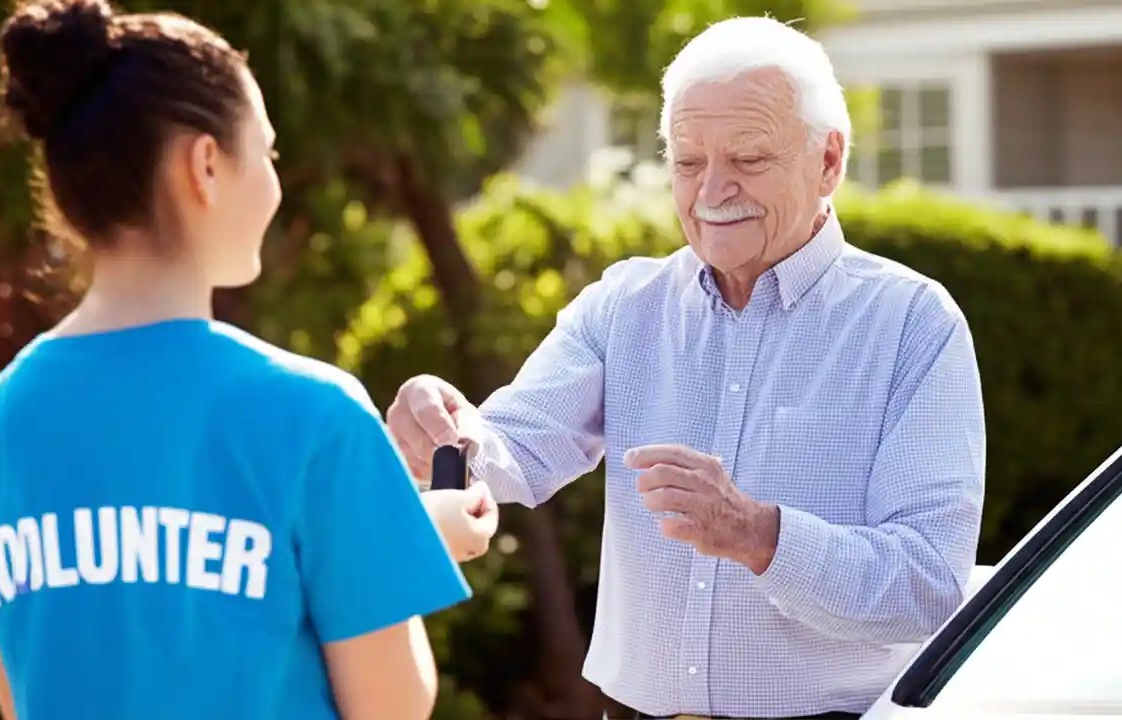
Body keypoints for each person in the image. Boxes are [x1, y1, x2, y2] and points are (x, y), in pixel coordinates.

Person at [387, 15, 987, 720]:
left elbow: (926, 589)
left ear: (829, 161)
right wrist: (442, 437)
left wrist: (760, 535)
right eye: (688, 161)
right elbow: (512, 448)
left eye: (749, 159)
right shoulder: (623, 305)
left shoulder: (913, 323)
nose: (711, 191)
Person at [0, 1, 497, 719]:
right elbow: (392, 706)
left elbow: (27, 698)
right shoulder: (316, 414)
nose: (276, 180)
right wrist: (395, 538)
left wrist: (383, 529)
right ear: (207, 163)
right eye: (269, 152)